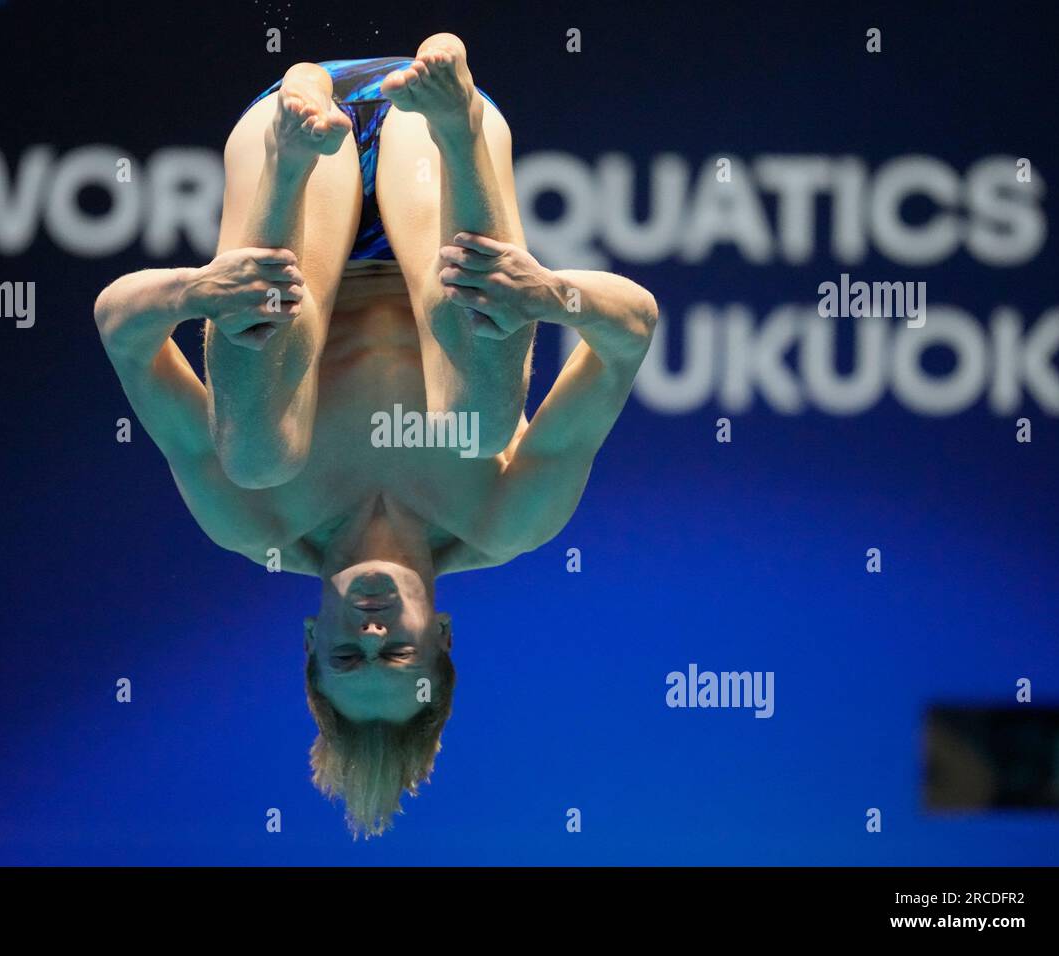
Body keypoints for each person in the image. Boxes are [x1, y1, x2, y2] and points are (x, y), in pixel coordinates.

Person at [93, 33, 658, 837]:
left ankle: (288, 168)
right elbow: (634, 329)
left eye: (346, 655)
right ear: (443, 638)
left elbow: (118, 326)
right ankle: (457, 113)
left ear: (311, 637)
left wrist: (199, 289)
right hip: (433, 166)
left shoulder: (252, 524)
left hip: (296, 152)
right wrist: (549, 292)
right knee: (479, 426)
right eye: (396, 656)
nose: (371, 630)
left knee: (255, 458)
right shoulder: (508, 515)